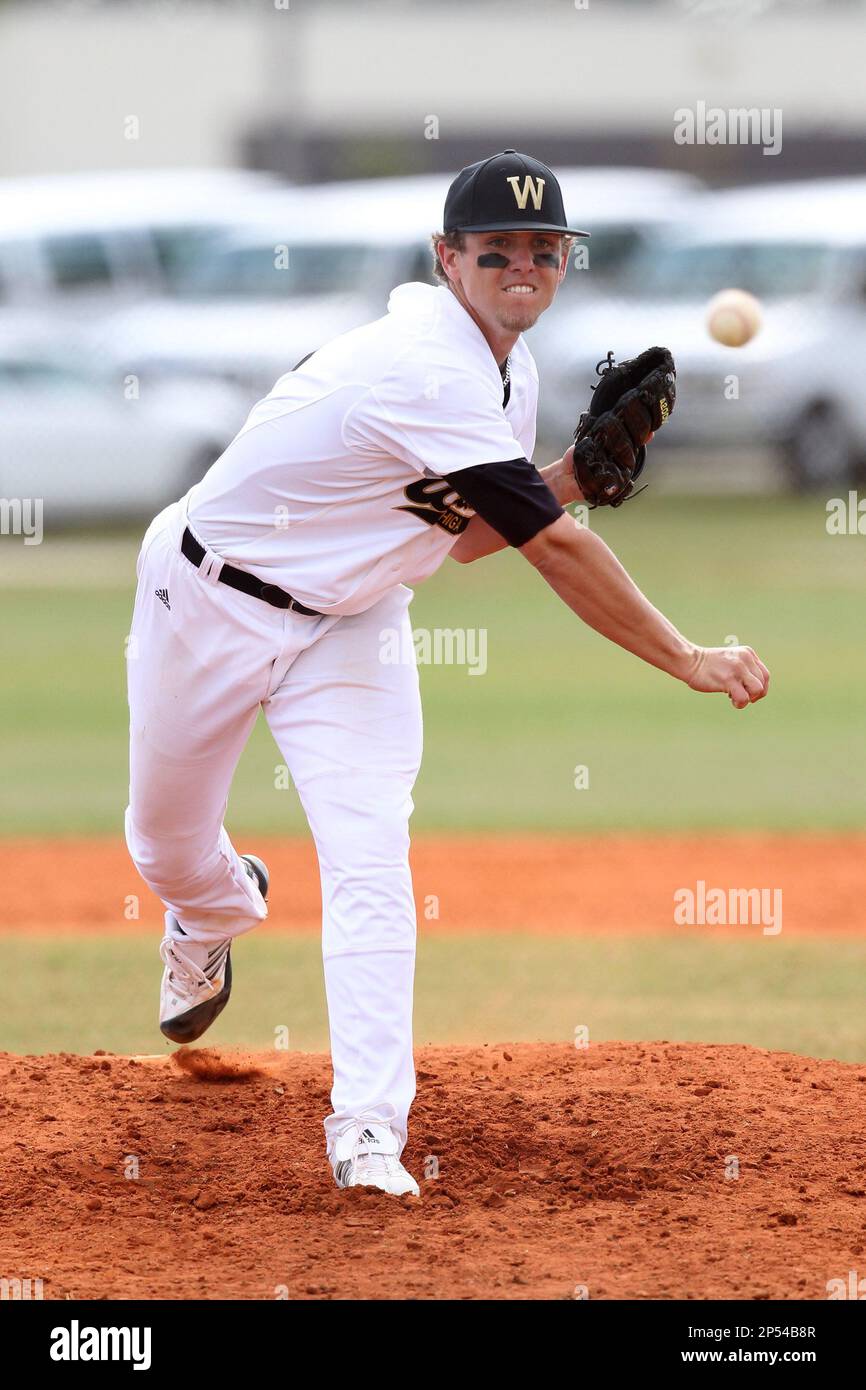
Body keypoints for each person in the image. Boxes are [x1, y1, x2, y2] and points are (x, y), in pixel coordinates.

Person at [124, 149, 770, 1198]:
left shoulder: (505, 377)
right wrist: (684, 656)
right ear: (447, 258)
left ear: (563, 261)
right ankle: (211, 910)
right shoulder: (424, 362)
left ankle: (367, 1131)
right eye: (495, 250)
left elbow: (470, 538)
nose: (522, 266)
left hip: (352, 623)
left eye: (542, 250)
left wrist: (570, 476)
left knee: (371, 857)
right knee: (164, 842)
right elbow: (553, 550)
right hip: (211, 597)